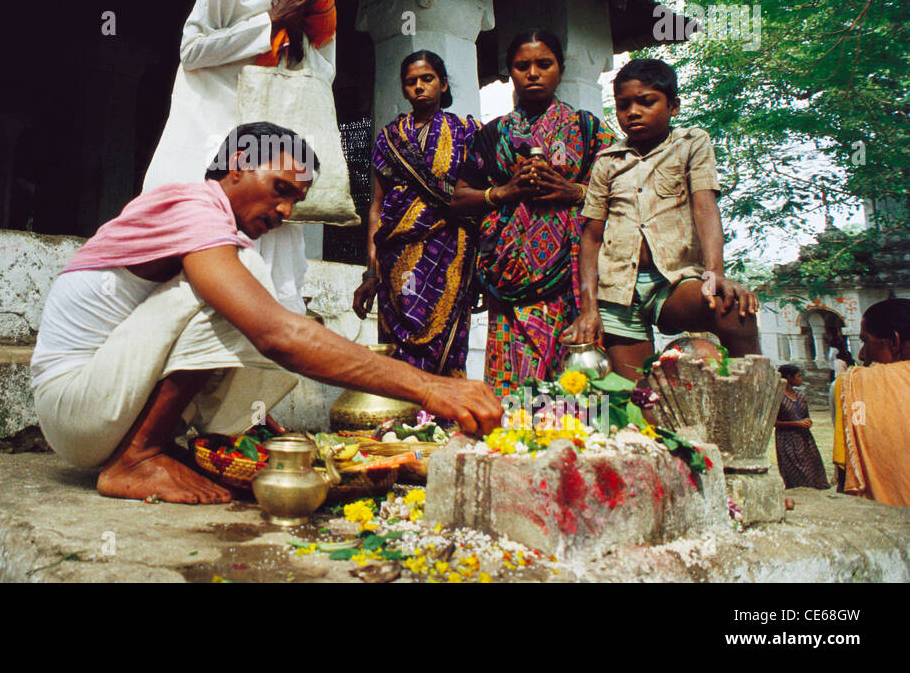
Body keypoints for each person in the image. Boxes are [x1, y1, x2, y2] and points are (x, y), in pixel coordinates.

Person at [31, 122, 503, 504]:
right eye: (279, 188)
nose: (284, 210)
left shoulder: (210, 220)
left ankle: (172, 444)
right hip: (74, 409)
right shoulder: (193, 206)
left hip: (100, 409)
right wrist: (428, 386)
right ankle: (138, 456)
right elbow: (275, 335)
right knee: (250, 282)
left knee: (251, 289)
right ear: (237, 165)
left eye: (295, 200)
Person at [142, 0, 357, 314]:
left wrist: (297, 35)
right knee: (193, 288)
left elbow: (326, 78)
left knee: (270, 295)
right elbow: (193, 49)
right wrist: (271, 22)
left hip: (274, 162)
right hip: (209, 148)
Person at [566, 57, 760, 380]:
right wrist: (589, 308)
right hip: (618, 290)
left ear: (673, 106)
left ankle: (756, 401)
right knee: (636, 398)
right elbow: (591, 238)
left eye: (646, 102)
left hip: (674, 281)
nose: (633, 112)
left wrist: (715, 272)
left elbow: (705, 207)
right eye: (623, 105)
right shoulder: (607, 161)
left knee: (734, 311)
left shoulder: (691, 143)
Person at [448, 30, 614, 398]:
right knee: (513, 383)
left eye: (544, 64)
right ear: (510, 73)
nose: (533, 73)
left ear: (560, 69)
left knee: (568, 382)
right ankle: (514, 448)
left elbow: (624, 193)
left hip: (569, 275)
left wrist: (575, 192)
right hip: (507, 275)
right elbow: (459, 199)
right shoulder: (492, 136)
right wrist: (506, 192)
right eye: (522, 66)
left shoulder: (588, 131)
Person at [351, 51, 480, 377]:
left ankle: (446, 418)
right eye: (411, 82)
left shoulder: (467, 133)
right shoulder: (390, 138)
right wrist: (371, 272)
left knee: (446, 338)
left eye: (427, 79)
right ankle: (403, 420)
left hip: (450, 253)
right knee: (398, 345)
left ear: (443, 83)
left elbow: (479, 202)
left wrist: (482, 269)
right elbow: (377, 208)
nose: (419, 87)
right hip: (396, 255)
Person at [833, 298, 910, 506]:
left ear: (893, 341)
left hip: (887, 524)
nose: (861, 353)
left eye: (866, 341)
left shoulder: (854, 384)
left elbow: (846, 470)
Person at [773, 364, 830, 489]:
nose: (801, 379)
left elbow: (805, 415)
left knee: (812, 466)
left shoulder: (800, 395)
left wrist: (807, 421)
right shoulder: (778, 397)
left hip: (804, 438)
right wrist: (795, 424)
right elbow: (774, 422)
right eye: (798, 376)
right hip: (787, 439)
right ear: (789, 377)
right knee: (795, 470)